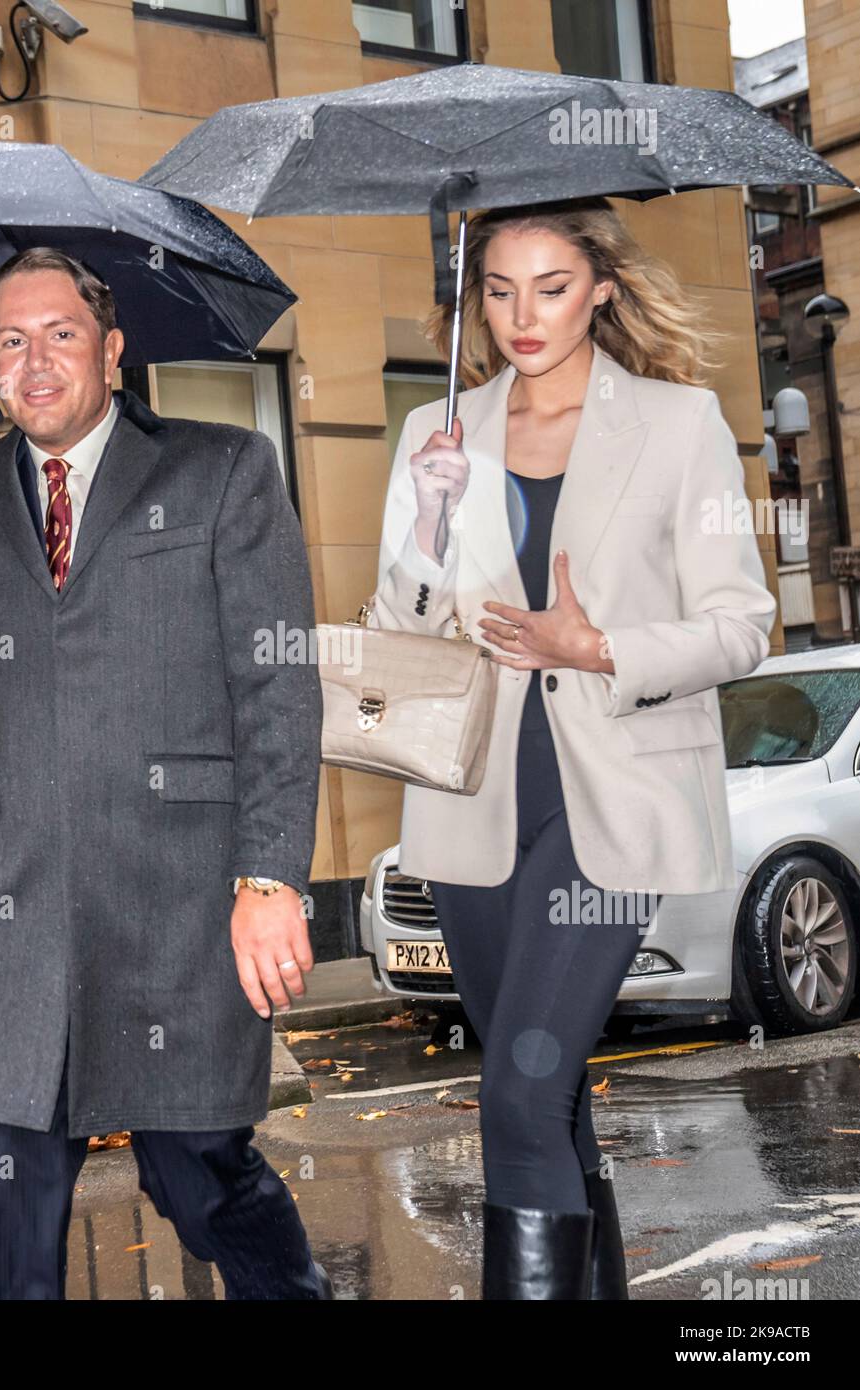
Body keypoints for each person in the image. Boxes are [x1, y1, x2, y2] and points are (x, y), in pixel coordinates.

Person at [0, 246, 331, 1300]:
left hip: (178, 909)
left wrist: (269, 879)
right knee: (1, 1194)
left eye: (60, 333)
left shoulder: (223, 468)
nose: (35, 361)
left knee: (199, 1172)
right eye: (10, 341)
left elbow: (278, 690)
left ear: (112, 351)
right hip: (19, 911)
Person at [368, 197, 777, 1299]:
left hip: (612, 804)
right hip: (472, 806)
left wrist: (597, 644)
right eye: (498, 291)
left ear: (599, 285)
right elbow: (393, 630)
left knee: (517, 1089)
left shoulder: (677, 422)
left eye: (549, 287)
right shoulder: (435, 434)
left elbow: (743, 623)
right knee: (540, 1092)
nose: (522, 315)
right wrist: (430, 523)